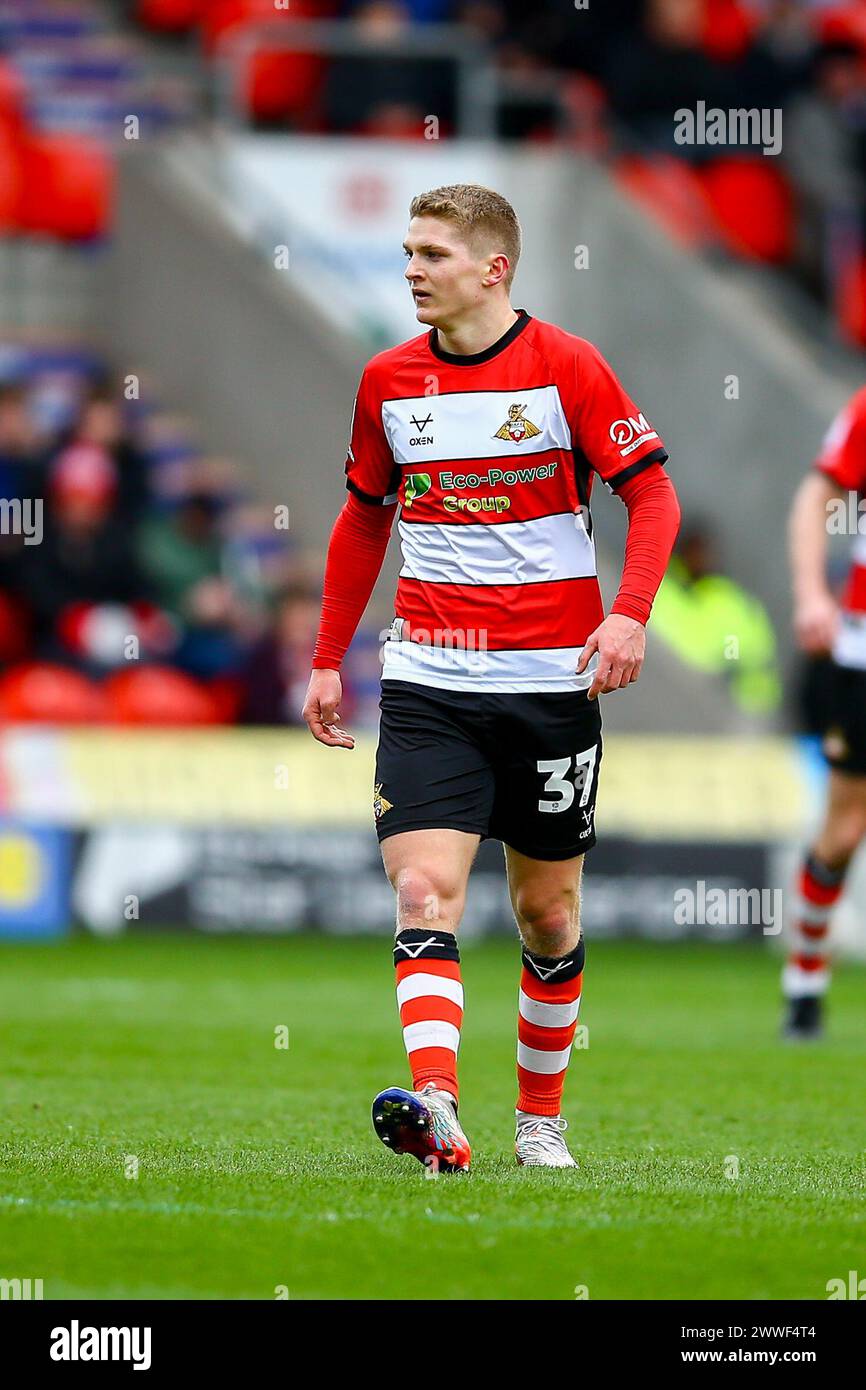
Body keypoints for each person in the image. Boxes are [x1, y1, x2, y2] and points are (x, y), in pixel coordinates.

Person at [302, 183, 681, 1172]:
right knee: (424, 888)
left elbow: (653, 496)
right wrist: (323, 659)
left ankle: (539, 1120)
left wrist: (627, 612)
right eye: (407, 251)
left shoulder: (566, 368)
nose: (411, 269)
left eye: (430, 253)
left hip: (551, 687)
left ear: (492, 268)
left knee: (547, 913)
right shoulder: (386, 381)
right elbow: (361, 522)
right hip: (428, 683)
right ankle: (436, 1106)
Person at [786, 385, 866, 1039]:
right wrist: (814, 594)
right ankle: (806, 981)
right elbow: (816, 498)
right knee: (843, 831)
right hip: (861, 658)